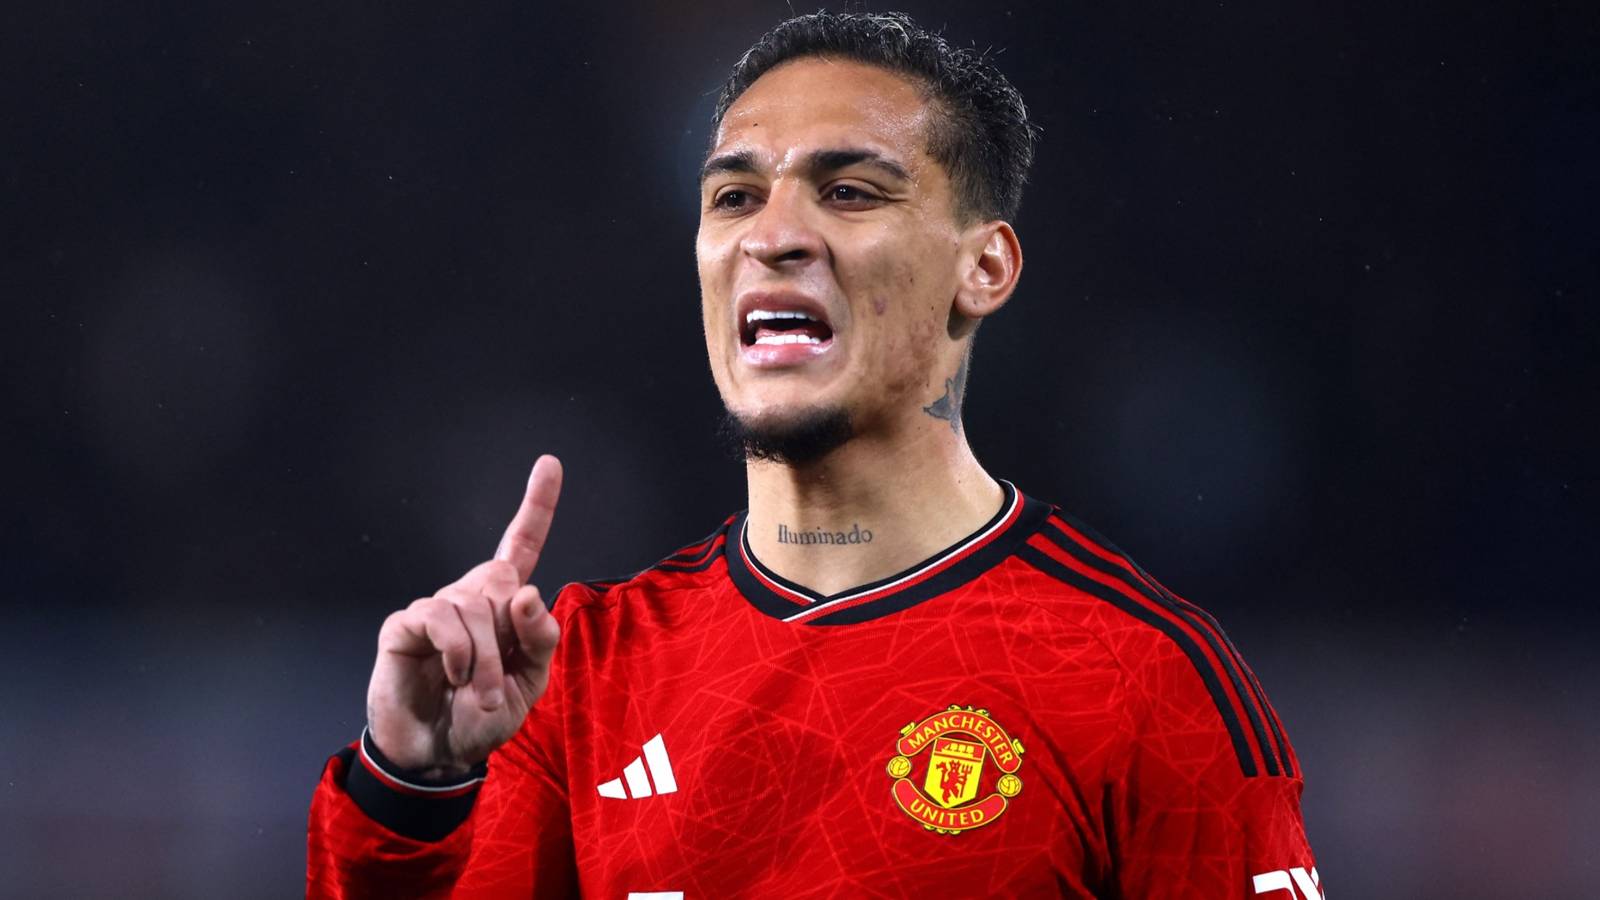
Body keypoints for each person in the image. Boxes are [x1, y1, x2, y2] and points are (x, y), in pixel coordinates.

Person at [308, 11, 1319, 898]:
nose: (774, 235)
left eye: (849, 192)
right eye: (734, 198)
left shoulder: (1140, 681)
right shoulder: (574, 678)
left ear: (983, 266)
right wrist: (413, 789)